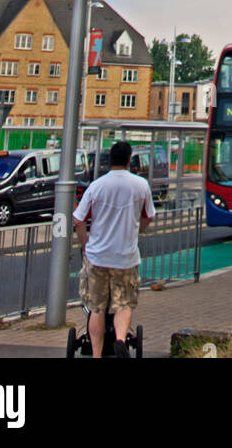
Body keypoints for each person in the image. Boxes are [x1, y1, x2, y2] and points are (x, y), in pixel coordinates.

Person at [73, 139, 155, 358]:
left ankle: (97, 354)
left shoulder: (97, 186)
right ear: (130, 160)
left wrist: (85, 245)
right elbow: (148, 216)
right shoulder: (140, 185)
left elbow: (79, 220)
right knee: (124, 303)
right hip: (126, 257)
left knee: (97, 307)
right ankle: (120, 340)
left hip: (98, 256)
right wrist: (136, 232)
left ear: (110, 160)